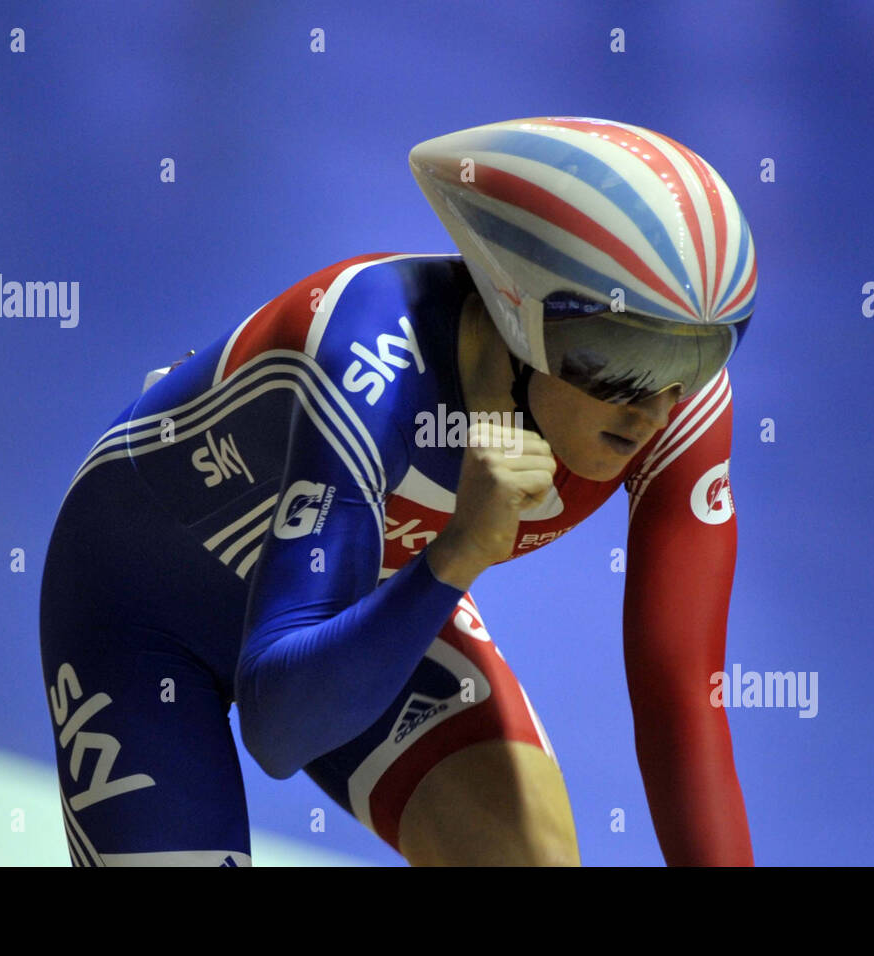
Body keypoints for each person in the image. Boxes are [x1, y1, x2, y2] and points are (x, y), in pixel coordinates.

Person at [40, 116, 757, 866]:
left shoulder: (679, 405)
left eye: (699, 352)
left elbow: (681, 704)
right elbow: (279, 728)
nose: (652, 405)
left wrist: (445, 564)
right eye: (621, 355)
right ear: (520, 311)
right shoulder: (367, 362)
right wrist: (456, 557)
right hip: (142, 611)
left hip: (359, 596)